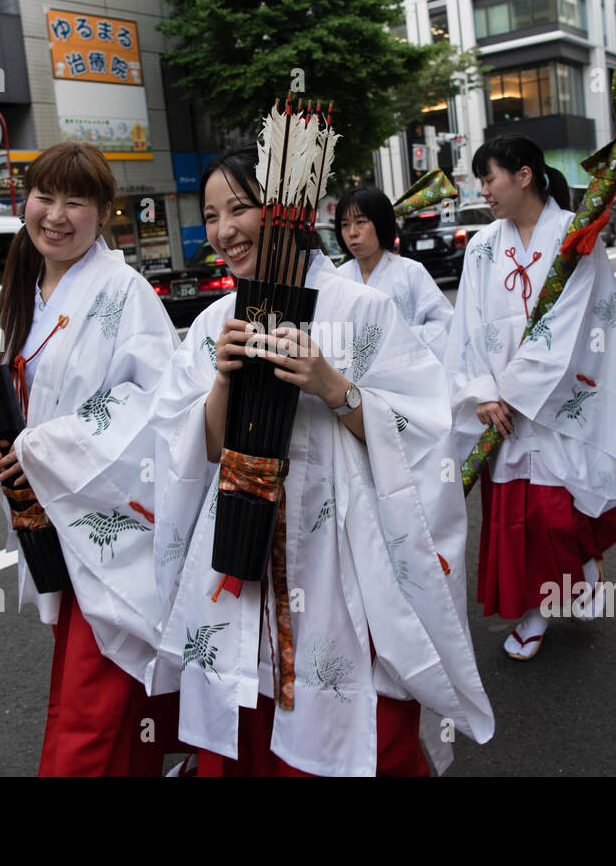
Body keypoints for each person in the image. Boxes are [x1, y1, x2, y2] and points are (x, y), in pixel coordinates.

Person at [147, 145, 494, 777]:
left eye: (242, 208)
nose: (225, 230)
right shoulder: (211, 325)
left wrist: (334, 387)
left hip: (340, 562)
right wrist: (222, 383)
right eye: (212, 214)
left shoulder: (361, 307)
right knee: (248, 713)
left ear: (284, 211)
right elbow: (186, 452)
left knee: (350, 719)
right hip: (237, 554)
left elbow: (425, 430)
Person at [0, 140, 182, 775]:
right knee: (97, 686)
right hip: (51, 515)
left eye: (77, 201)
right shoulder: (25, 291)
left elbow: (158, 407)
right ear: (24, 202)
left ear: (104, 213)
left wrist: (42, 451)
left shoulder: (126, 291)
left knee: (93, 698)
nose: (56, 215)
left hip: (109, 530)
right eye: (44, 196)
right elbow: (17, 399)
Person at [443, 133, 616, 660]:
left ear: (523, 175)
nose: (484, 191)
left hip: (565, 400)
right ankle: (535, 611)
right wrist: (481, 394)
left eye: (489, 178)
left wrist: (518, 391)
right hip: (503, 406)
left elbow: (578, 323)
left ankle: (581, 576)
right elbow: (466, 330)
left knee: (561, 510)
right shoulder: (482, 248)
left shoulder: (574, 237)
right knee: (520, 520)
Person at [334, 186, 453, 360]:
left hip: (405, 373)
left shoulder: (410, 272)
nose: (352, 233)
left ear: (381, 223)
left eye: (361, 222)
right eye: (345, 225)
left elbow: (444, 324)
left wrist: (402, 340)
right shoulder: (338, 278)